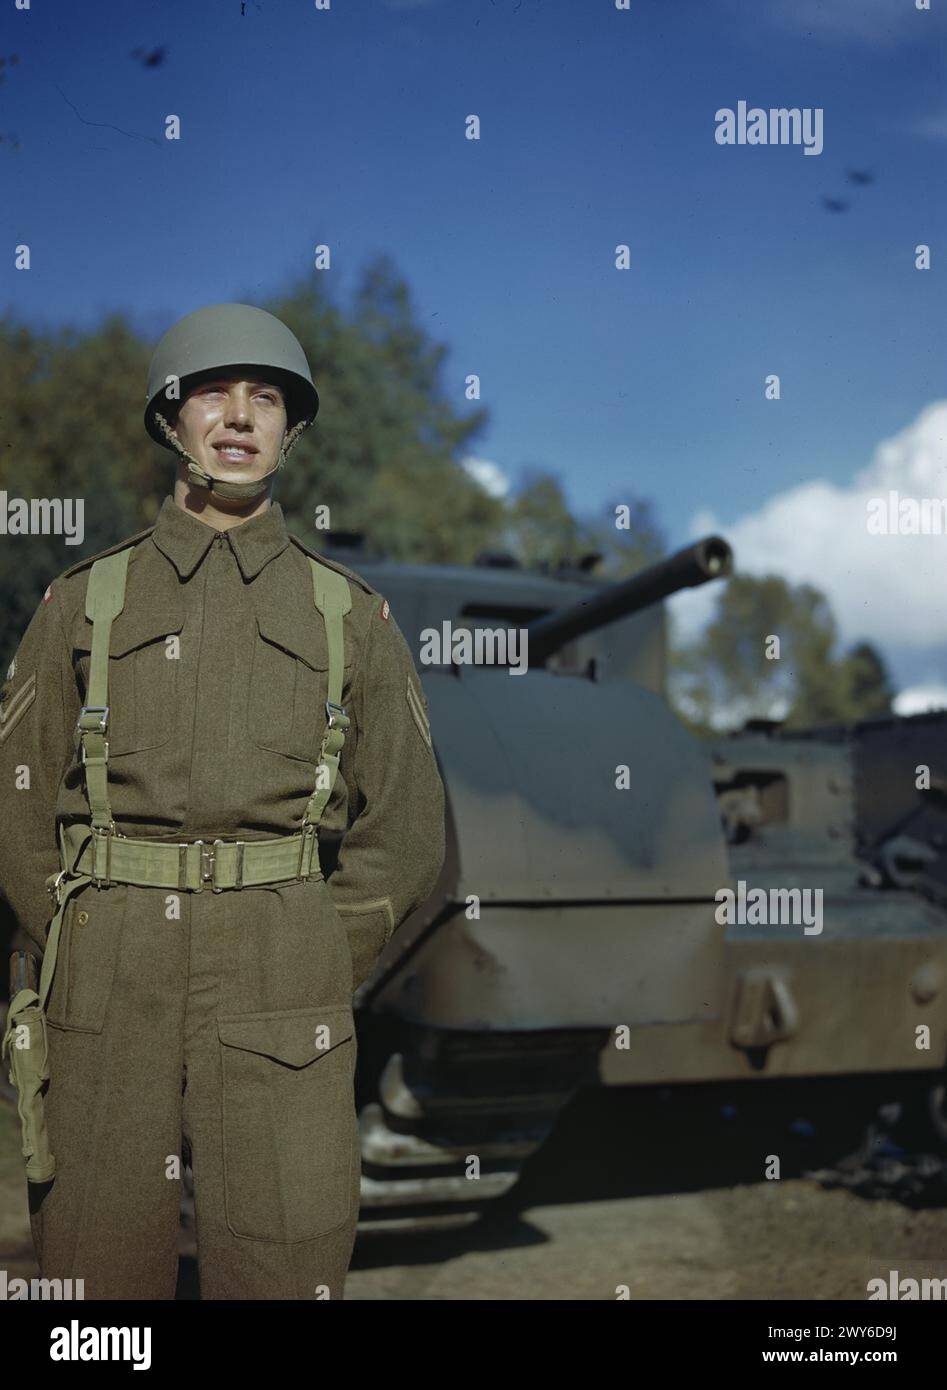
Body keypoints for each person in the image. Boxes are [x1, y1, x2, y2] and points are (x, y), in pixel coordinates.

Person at [0, 302, 446, 1299]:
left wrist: (319, 947)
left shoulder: (350, 616)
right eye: (213, 392)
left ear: (291, 430)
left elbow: (407, 827)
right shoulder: (84, 601)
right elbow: (14, 795)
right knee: (95, 1268)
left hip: (281, 963)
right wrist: (74, 934)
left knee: (287, 1254)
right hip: (108, 968)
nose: (240, 416)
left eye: (266, 399)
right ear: (172, 420)